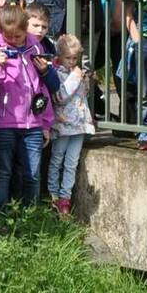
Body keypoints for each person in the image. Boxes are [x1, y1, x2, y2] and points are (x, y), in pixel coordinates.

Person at [0, 3, 51, 209]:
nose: (12, 41)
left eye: (17, 37)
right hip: (4, 122)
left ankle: (31, 216)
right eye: (8, 36)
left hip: (32, 123)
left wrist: (46, 122)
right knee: (4, 173)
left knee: (33, 173)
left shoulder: (36, 47)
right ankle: (1, 216)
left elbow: (42, 87)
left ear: (25, 30)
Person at [45, 34, 92, 215]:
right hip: (62, 125)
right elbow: (60, 97)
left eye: (75, 58)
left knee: (72, 163)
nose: (72, 62)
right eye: (68, 58)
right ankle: (53, 196)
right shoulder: (57, 73)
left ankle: (65, 197)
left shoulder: (77, 73)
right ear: (59, 57)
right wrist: (75, 78)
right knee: (57, 160)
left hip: (78, 125)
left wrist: (84, 80)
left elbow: (82, 96)